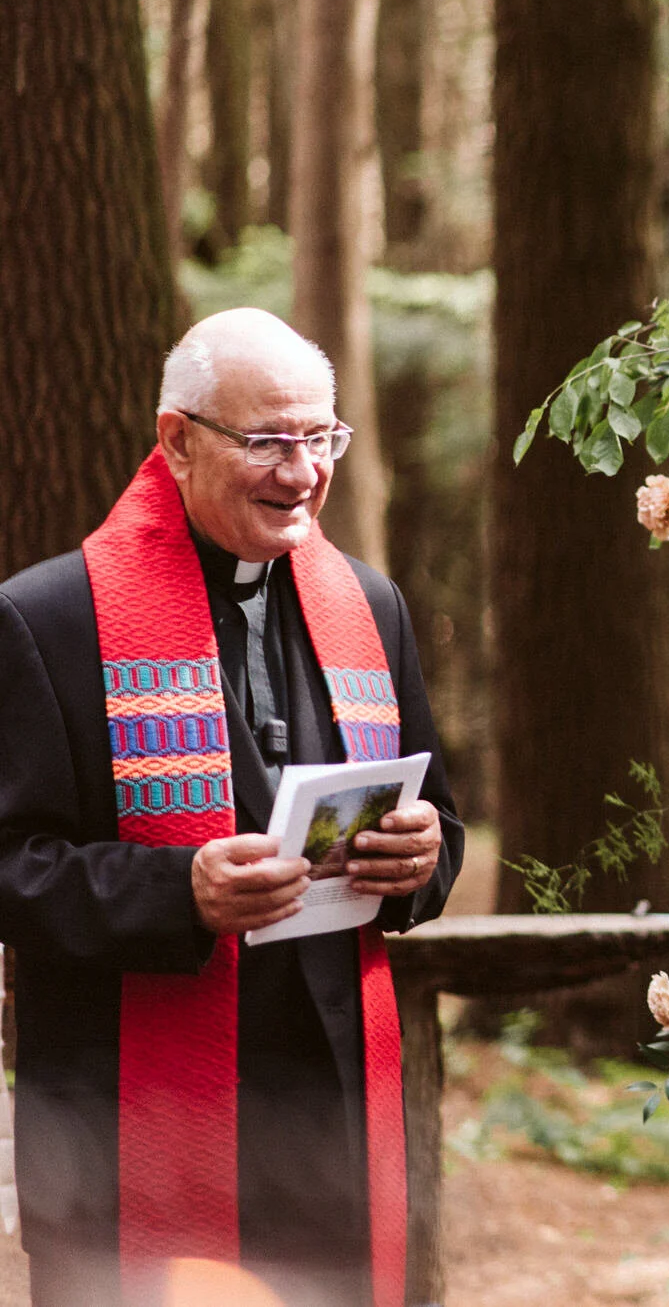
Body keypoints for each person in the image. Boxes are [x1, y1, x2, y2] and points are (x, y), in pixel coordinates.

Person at [0, 309, 466, 1307]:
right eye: (264, 441)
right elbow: (10, 866)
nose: (299, 472)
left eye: (318, 438)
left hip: (329, 1120)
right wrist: (179, 888)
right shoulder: (46, 620)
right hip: (126, 1138)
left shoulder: (370, 606)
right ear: (175, 440)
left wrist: (424, 859)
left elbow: (442, 822)